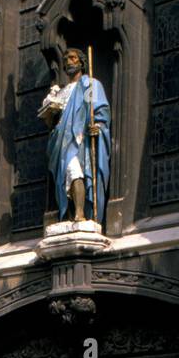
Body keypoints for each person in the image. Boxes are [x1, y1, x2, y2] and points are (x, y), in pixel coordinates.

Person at [42, 46, 111, 225]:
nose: (68, 62)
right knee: (65, 176)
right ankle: (71, 215)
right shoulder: (61, 92)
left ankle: (81, 215)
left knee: (76, 171)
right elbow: (53, 120)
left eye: (72, 58)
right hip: (61, 141)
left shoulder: (89, 86)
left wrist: (99, 126)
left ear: (81, 62)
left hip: (80, 140)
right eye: (65, 60)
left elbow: (98, 110)